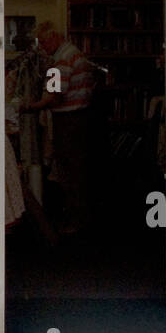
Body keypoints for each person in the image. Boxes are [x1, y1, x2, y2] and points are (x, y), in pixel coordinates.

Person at [26, 22, 96, 232]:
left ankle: (75, 221)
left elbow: (55, 97)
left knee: (69, 170)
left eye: (44, 41)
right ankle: (79, 218)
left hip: (68, 121)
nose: (43, 47)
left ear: (55, 37)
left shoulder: (61, 60)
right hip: (79, 118)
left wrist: (30, 106)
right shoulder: (73, 53)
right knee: (76, 169)